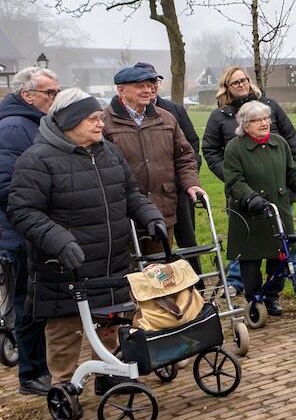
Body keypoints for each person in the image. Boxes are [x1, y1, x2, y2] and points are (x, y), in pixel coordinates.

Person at [6, 88, 167, 387]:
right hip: (65, 265)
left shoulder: (109, 152)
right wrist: (60, 240)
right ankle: (64, 385)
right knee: (65, 330)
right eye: (92, 119)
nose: (100, 124)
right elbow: (23, 211)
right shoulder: (37, 159)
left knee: (110, 323)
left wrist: (150, 216)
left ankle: (111, 375)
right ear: (69, 122)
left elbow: (129, 193)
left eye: (100, 118)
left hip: (112, 262)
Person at [201, 66, 296, 292]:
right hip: (243, 190)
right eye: (235, 82)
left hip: (277, 181)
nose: (242, 84)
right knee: (246, 239)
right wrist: (232, 175)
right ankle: (236, 282)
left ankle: (295, 272)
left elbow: (290, 137)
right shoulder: (220, 117)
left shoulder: (270, 106)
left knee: (284, 231)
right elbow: (210, 151)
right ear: (226, 88)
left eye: (244, 80)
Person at [222, 101, 296, 318]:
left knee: (279, 256)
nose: (264, 123)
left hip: (277, 211)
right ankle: (254, 299)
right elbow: (234, 180)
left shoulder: (280, 143)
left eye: (265, 118)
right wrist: (250, 197)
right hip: (249, 213)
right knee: (250, 260)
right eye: (257, 120)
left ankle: (271, 297)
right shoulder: (235, 148)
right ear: (245, 124)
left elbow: (293, 175)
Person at [103, 66, 205, 255]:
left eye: (150, 85)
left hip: (162, 209)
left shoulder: (166, 119)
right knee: (132, 274)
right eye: (139, 86)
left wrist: (191, 183)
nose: (147, 90)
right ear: (121, 90)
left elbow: (185, 156)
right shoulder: (104, 122)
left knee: (160, 271)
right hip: (124, 214)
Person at [0, 67, 57, 395]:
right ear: (28, 95)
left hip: (40, 229)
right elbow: (6, 185)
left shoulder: (36, 122)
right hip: (22, 233)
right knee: (28, 304)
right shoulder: (12, 127)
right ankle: (31, 374)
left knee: (40, 302)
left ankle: (43, 365)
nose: (54, 97)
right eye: (50, 92)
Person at [134, 61, 204, 276]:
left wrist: (185, 179)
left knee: (187, 239)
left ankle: (196, 284)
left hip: (176, 188)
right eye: (145, 82)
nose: (151, 86)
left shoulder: (173, 110)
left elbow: (191, 146)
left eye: (154, 81)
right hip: (141, 193)